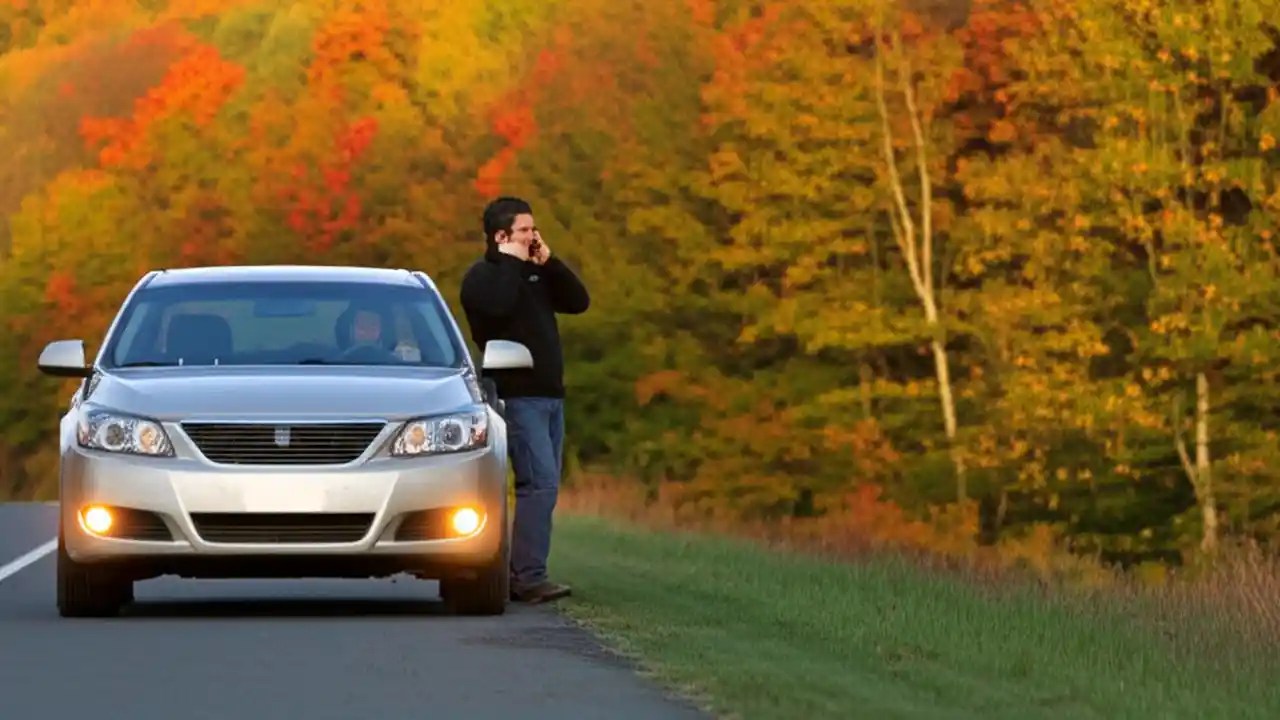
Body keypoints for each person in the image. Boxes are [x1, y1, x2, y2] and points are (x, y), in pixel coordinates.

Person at [460, 196, 590, 604]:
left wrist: (548, 262)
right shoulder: (483, 277)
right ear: (501, 236)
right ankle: (526, 577)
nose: (532, 236)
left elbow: (578, 302)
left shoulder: (535, 274)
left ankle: (528, 571)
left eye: (534, 229)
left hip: (550, 396)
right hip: (518, 398)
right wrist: (513, 262)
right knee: (539, 484)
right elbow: (497, 308)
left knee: (545, 486)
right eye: (524, 230)